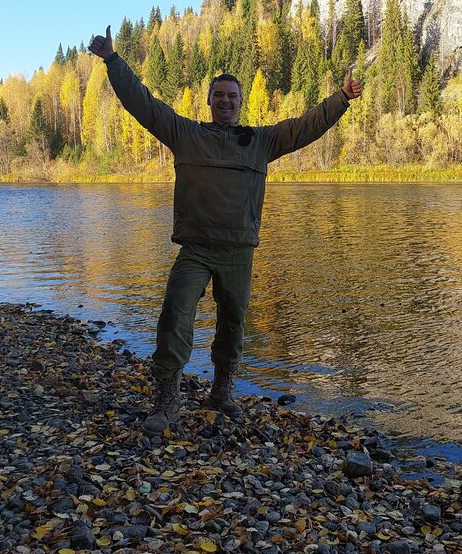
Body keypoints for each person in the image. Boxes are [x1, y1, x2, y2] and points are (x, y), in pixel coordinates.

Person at [88, 25, 362, 433]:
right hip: (195, 249)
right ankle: (167, 404)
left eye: (232, 96)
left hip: (239, 251)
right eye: (219, 95)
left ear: (239, 102)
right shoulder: (185, 134)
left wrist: (341, 99)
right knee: (174, 315)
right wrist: (113, 60)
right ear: (210, 100)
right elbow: (143, 104)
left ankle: (221, 392)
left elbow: (306, 126)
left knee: (233, 324)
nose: (226, 101)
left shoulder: (261, 141)